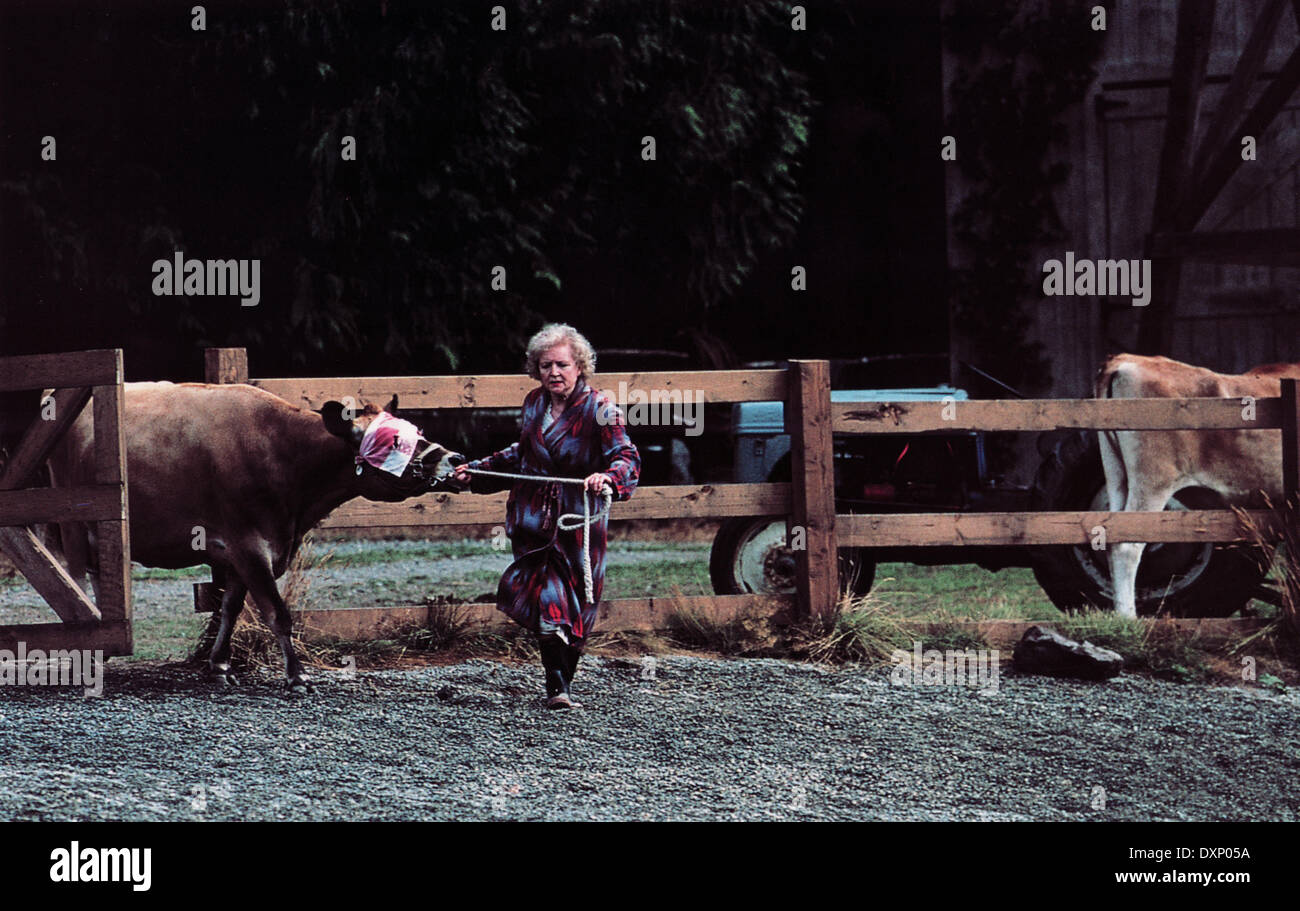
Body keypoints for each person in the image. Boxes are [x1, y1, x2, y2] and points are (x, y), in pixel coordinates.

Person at [453, 324, 639, 708]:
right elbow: (522, 454)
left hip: (577, 519)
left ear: (580, 367)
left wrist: (607, 477)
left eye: (562, 365)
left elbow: (627, 456)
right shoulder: (534, 403)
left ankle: (561, 685)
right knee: (544, 598)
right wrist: (478, 470)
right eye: (545, 365)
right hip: (532, 517)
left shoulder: (601, 409)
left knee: (575, 606)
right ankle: (558, 689)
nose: (553, 372)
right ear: (535, 369)